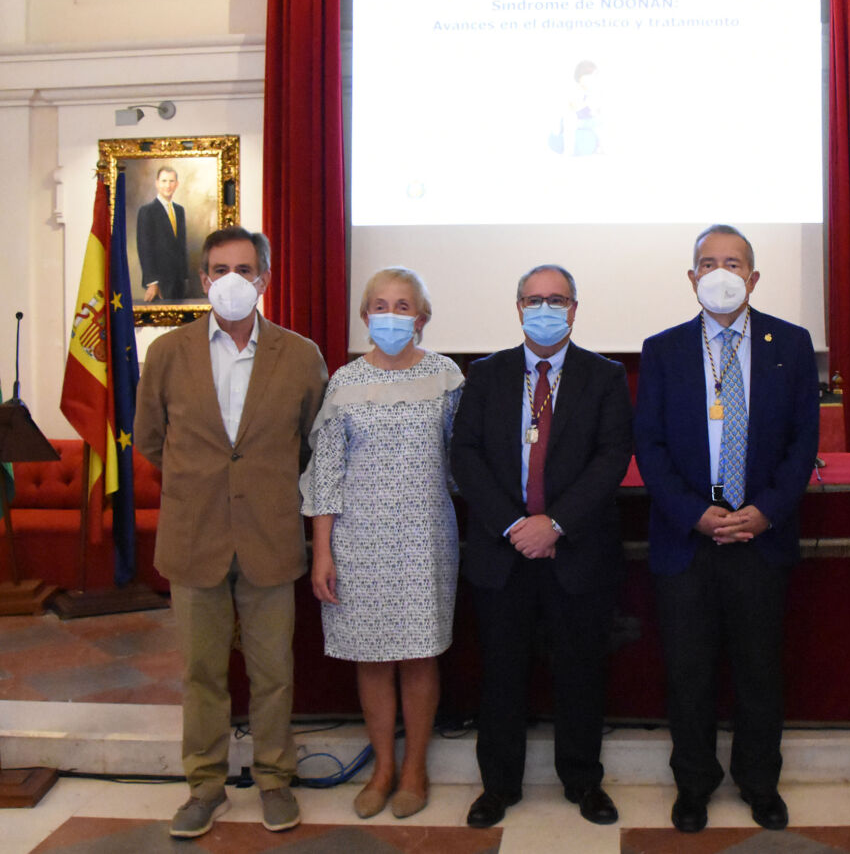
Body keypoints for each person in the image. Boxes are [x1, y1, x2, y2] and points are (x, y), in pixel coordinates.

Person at [134, 226, 328, 839]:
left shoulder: (301, 355)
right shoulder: (167, 352)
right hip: (195, 537)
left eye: (245, 268)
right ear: (204, 278)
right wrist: (203, 485)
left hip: (269, 536)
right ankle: (204, 785)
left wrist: (263, 487)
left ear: (265, 279)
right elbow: (150, 442)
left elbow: (312, 444)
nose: (232, 278)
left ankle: (274, 779)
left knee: (273, 670)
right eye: (220, 268)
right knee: (201, 672)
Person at [633, 225, 819, 834]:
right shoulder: (662, 350)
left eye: (732, 262)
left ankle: (760, 783)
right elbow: (650, 446)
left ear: (753, 277)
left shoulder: (789, 343)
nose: (720, 272)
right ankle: (694, 785)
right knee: (688, 673)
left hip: (760, 537)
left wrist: (764, 510)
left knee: (761, 671)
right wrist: (695, 513)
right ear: (691, 279)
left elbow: (801, 447)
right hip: (687, 539)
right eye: (707, 263)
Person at [450, 265, 632, 829]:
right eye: (534, 299)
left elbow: (611, 458)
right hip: (501, 553)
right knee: (501, 673)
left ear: (575, 309)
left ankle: (583, 781)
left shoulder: (605, 377)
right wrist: (515, 526)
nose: (545, 308)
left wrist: (553, 524)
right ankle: (498, 787)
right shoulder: (485, 375)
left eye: (556, 300)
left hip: (577, 552)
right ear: (518, 307)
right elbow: (467, 457)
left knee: (581, 673)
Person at [303, 267, 463, 820]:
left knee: (419, 656)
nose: (390, 315)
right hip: (357, 542)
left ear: (421, 318)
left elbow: (462, 465)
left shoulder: (448, 377)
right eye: (380, 304)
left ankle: (415, 767)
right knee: (370, 659)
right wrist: (322, 550)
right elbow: (325, 474)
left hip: (425, 540)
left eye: (402, 305)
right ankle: (383, 768)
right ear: (365, 315)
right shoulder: (343, 382)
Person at [136, 166, 189, 301]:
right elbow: (144, 248)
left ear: (177, 184)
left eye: (171, 181)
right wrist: (152, 282)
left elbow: (181, 245)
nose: (168, 185)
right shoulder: (147, 211)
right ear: (157, 183)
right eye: (164, 181)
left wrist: (184, 277)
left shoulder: (179, 210)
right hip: (159, 282)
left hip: (178, 281)